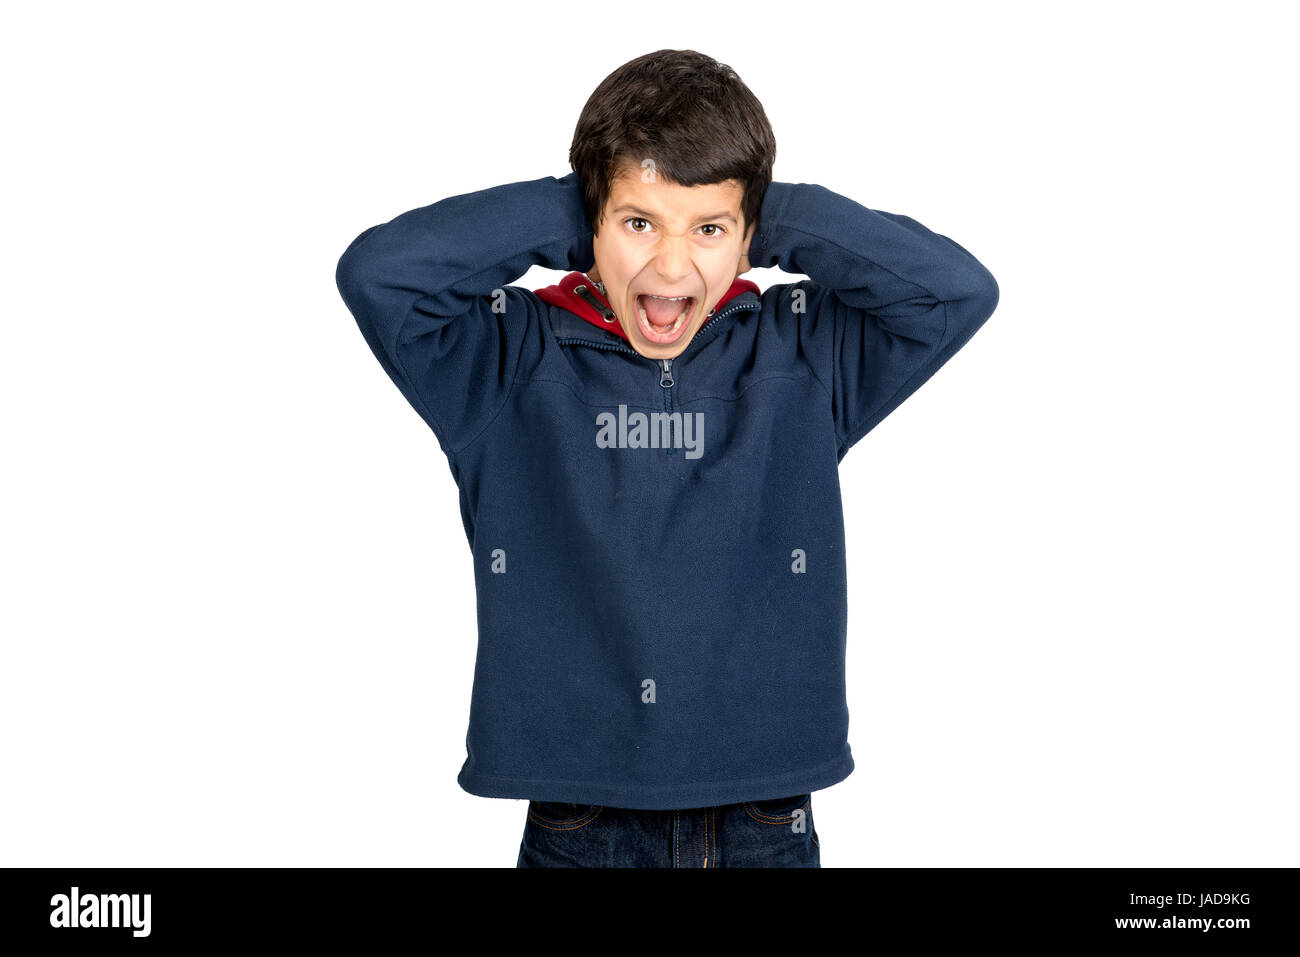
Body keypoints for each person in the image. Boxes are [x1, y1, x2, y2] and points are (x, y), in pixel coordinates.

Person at [334, 49, 999, 867]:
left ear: (748, 237)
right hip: (581, 824)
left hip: (765, 819)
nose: (673, 265)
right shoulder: (504, 363)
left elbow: (956, 292)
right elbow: (378, 275)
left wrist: (766, 209)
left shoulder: (804, 355)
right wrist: (576, 208)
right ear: (591, 225)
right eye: (638, 221)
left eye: (710, 229)